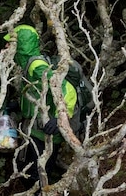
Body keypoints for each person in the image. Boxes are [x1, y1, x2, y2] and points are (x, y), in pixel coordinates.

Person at [6, 24, 78, 181]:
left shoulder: (36, 66)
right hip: (35, 130)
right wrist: (19, 105)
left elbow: (67, 88)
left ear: (22, 45)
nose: (6, 47)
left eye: (11, 43)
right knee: (28, 171)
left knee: (36, 176)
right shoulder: (27, 64)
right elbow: (37, 92)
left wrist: (60, 118)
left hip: (46, 132)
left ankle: (44, 195)